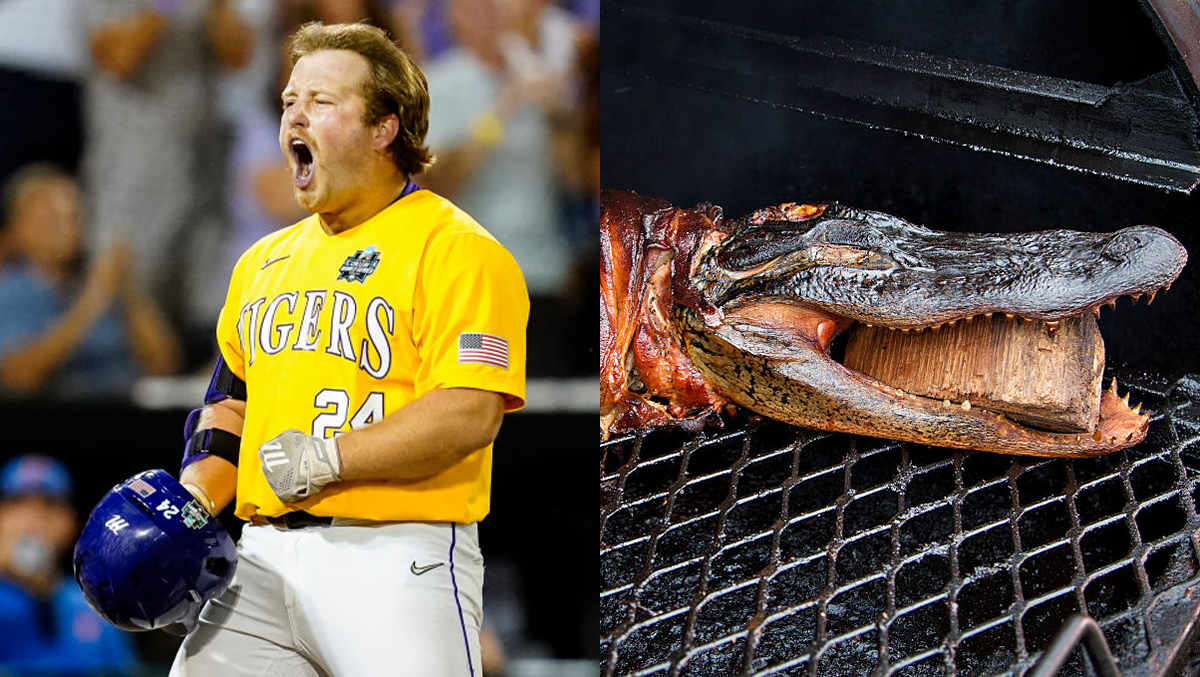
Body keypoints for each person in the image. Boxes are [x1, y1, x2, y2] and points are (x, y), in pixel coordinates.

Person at [170, 21, 528, 677]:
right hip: (259, 559)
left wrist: (330, 457)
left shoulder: (459, 250)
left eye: (320, 102)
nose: (293, 117)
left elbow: (470, 409)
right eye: (288, 102)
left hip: (394, 554)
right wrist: (190, 501)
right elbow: (231, 405)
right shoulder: (261, 262)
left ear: (383, 127)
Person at [0, 164, 182, 398]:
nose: (67, 228)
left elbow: (165, 366)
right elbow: (20, 377)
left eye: (74, 217)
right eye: (51, 219)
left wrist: (130, 291)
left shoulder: (104, 282)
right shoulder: (13, 293)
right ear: (20, 228)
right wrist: (93, 300)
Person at [0, 454, 140, 675]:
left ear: (69, 523)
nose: (31, 521)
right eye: (19, 505)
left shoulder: (95, 605)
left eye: (48, 507)